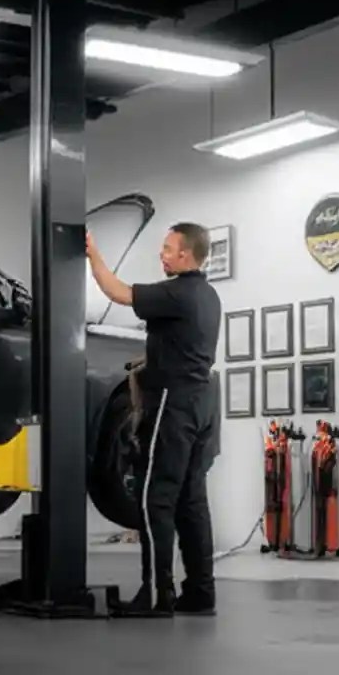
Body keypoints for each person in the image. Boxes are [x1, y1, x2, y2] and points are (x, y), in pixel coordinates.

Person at [86, 222, 222, 618]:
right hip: (202, 405)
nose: (161, 254)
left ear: (185, 255)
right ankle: (200, 592)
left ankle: (156, 594)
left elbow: (117, 291)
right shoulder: (209, 296)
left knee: (154, 499)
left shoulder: (175, 292)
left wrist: (92, 252)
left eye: (167, 248)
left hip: (172, 404)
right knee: (192, 501)